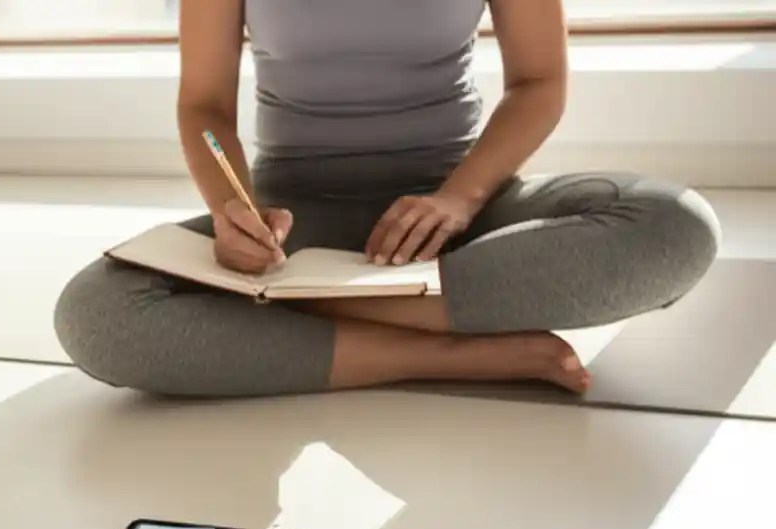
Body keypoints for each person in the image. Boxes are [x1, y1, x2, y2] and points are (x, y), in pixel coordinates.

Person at [55, 0, 719, 398]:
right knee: (97, 312)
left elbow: (540, 82)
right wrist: (236, 209)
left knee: (675, 225)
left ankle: (317, 309)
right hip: (299, 226)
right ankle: (450, 351)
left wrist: (460, 198)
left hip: (457, 213)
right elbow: (203, 108)